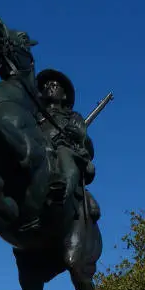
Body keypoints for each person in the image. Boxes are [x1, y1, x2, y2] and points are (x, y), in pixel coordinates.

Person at [35, 69, 96, 208]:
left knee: (64, 153)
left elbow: (88, 148)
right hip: (39, 154)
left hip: (63, 155)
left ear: (64, 96)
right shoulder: (34, 117)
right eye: (45, 86)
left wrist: (81, 136)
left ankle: (60, 197)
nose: (49, 87)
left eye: (54, 85)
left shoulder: (73, 117)